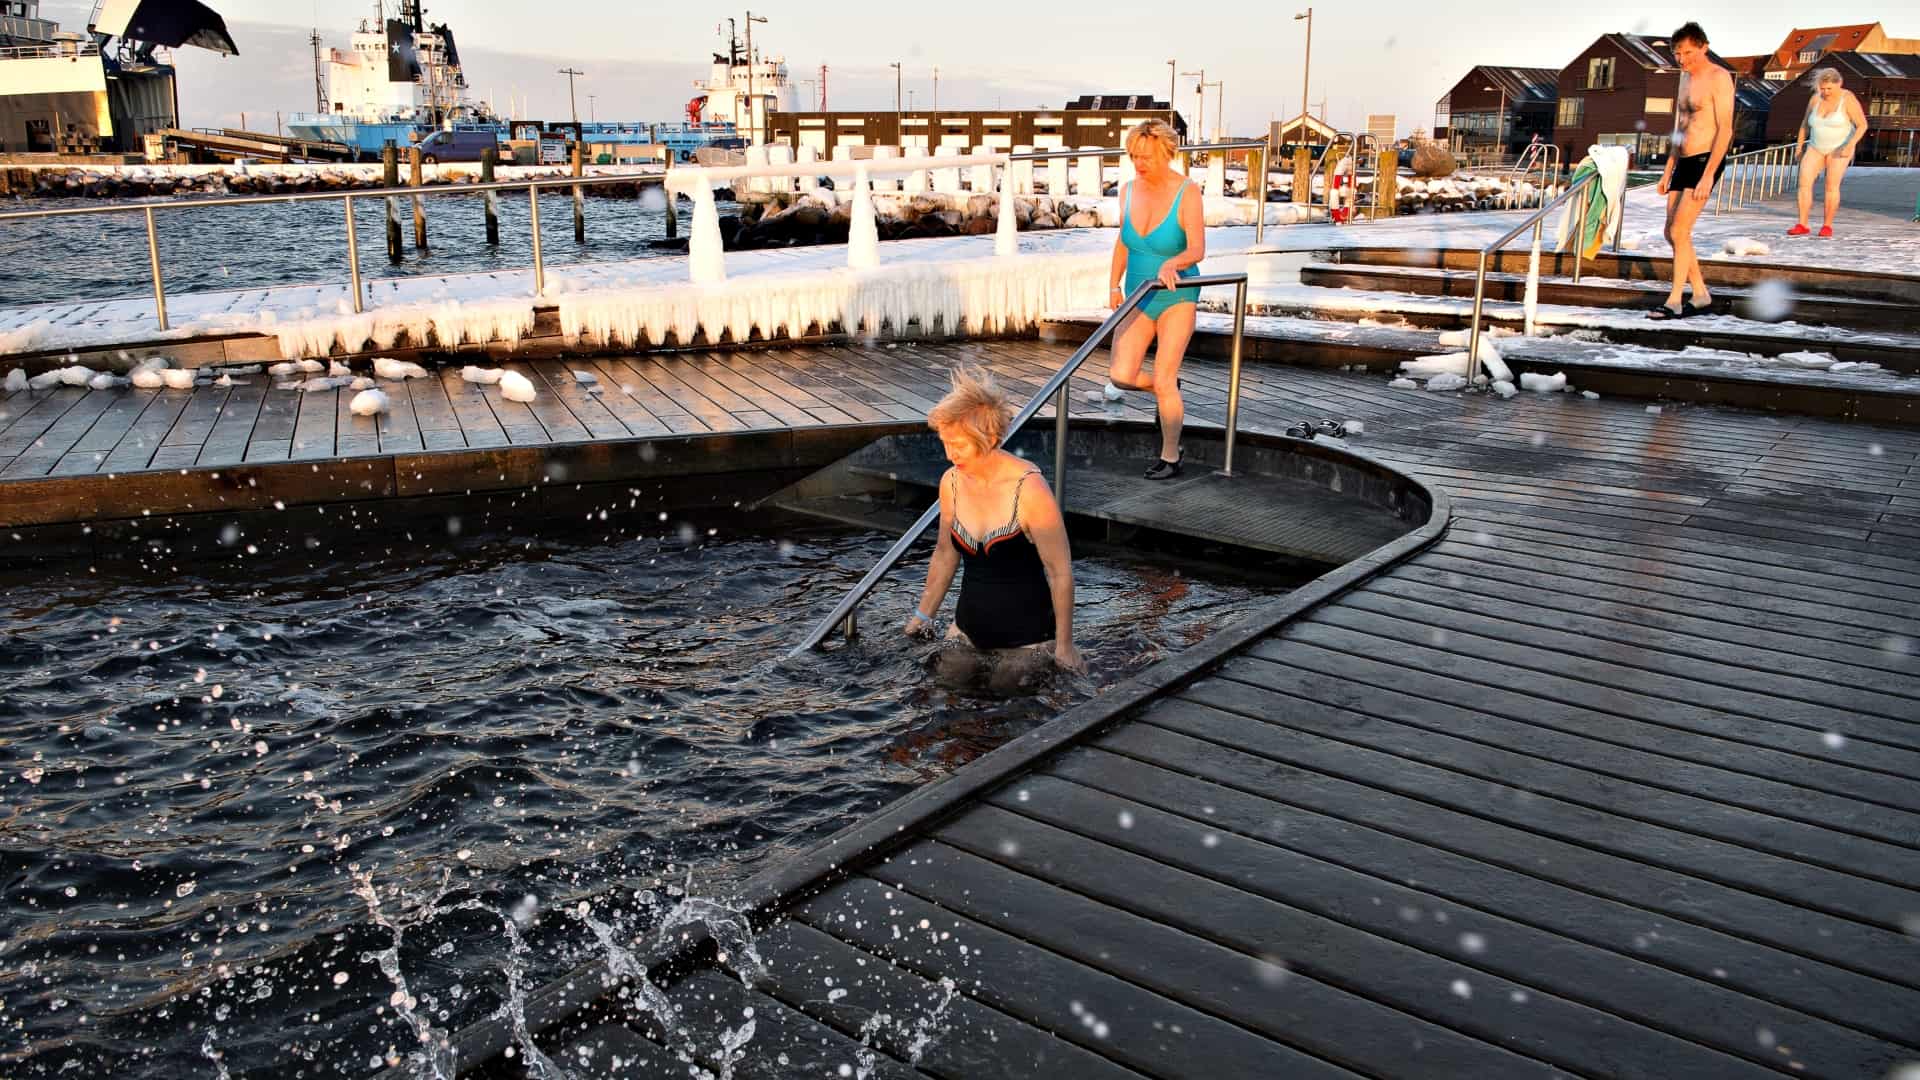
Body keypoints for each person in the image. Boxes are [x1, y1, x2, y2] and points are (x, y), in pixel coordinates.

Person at [907, 366, 1083, 692]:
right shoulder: (951, 483)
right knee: (936, 700)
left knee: (1003, 707)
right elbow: (945, 554)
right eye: (945, 443)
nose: (949, 454)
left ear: (988, 439)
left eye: (958, 445)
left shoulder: (1030, 490)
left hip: (1028, 641)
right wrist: (923, 616)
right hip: (967, 632)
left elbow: (1060, 572)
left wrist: (1064, 646)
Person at [1101, 118, 1205, 479]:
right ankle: (1167, 389)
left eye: (1145, 156)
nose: (1139, 163)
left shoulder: (1186, 191)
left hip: (1177, 294)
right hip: (1138, 294)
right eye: (1133, 156)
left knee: (1163, 375)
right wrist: (1114, 285)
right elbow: (1123, 241)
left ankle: (1171, 455)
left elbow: (1197, 248)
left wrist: (1174, 262)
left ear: (1166, 152)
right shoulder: (1128, 190)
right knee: (1120, 375)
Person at [1651, 21, 1733, 320]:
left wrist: (1710, 174)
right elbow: (1680, 126)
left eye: (1687, 52)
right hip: (1684, 160)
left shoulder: (1719, 77)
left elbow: (1726, 129)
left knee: (1680, 230)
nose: (1682, 59)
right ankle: (1700, 293)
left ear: (1703, 47)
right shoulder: (1684, 78)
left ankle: (1674, 301)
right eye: (1677, 54)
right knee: (1671, 233)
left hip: (1705, 159)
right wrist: (1668, 169)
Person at [1788, 68, 1868, 238]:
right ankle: (1802, 223)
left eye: (1829, 89)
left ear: (1839, 84)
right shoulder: (1815, 99)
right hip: (1816, 146)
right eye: (1822, 88)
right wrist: (1799, 147)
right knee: (1804, 182)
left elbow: (1862, 125)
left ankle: (1827, 225)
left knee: (1831, 186)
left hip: (1840, 147)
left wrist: (1851, 144)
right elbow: (1804, 125)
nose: (1825, 92)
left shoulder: (1848, 99)